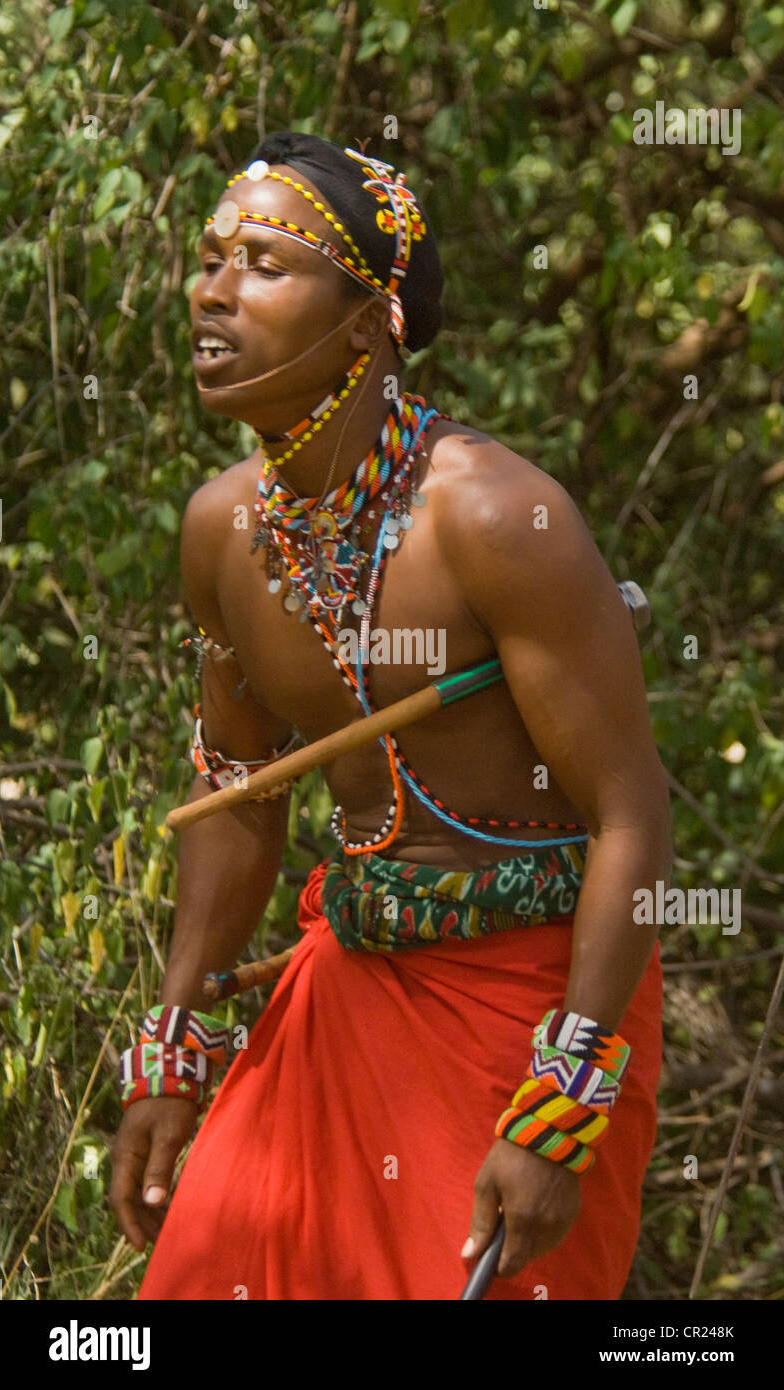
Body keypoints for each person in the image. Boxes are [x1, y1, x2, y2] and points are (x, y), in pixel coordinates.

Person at [109, 131, 671, 1300]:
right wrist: (172, 1047)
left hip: (525, 1018)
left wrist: (560, 1105)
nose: (213, 289)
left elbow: (632, 820)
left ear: (369, 321)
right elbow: (237, 793)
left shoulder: (492, 518)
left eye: (264, 263)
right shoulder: (222, 532)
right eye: (209, 258)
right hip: (344, 998)